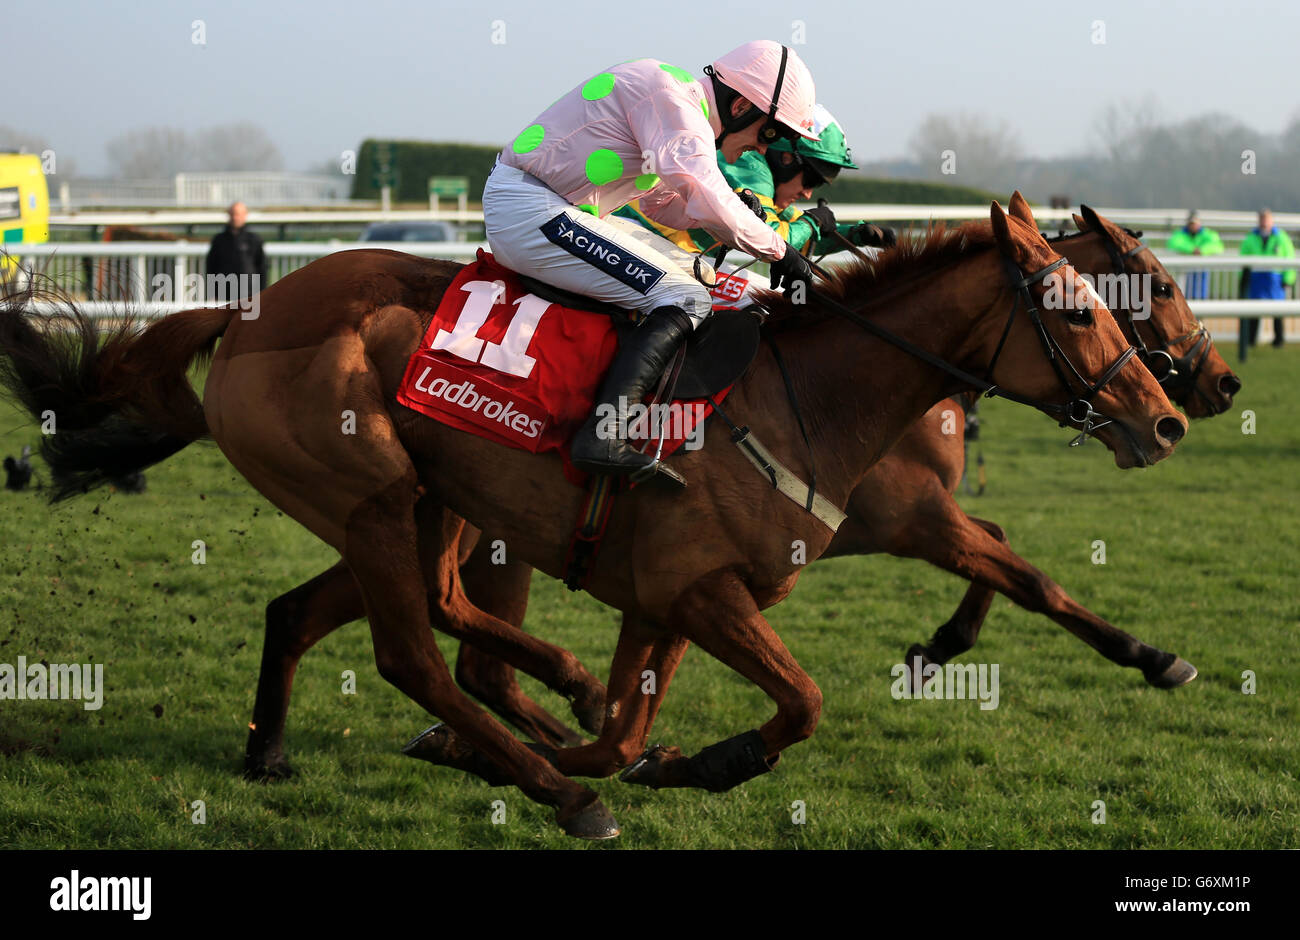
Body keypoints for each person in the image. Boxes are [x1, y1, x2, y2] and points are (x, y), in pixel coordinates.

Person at [484, 40, 820, 477]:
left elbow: (666, 204)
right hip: (530, 209)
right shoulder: (670, 97)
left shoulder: (676, 105)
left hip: (553, 207)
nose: (762, 149)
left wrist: (739, 211)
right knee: (687, 299)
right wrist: (781, 250)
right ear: (740, 105)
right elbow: (701, 190)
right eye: (769, 133)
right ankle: (602, 434)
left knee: (698, 282)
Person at [614, 103, 895, 308]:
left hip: (664, 243)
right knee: (767, 301)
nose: (808, 194)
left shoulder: (765, 181)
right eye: (811, 178)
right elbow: (777, 242)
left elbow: (792, 245)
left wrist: (854, 235)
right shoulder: (750, 164)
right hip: (639, 236)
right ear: (786, 159)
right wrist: (813, 222)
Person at [1239, 208, 1294, 348]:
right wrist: (1243, 278)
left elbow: (1290, 258)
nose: (1264, 222)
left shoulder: (1281, 237)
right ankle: (1251, 340)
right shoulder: (1251, 237)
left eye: (1266, 219)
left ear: (1271, 221)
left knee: (1277, 312)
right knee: (1254, 311)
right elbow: (1243, 258)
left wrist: (1288, 278)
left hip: (1274, 279)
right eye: (1262, 219)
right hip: (1256, 278)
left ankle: (1279, 340)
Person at [205, 201, 266, 301]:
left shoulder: (254, 239)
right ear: (229, 215)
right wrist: (212, 292)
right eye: (233, 214)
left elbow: (262, 268)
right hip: (223, 293)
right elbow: (211, 267)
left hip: (249, 294)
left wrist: (262, 293)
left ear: (245, 215)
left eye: (238, 214)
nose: (235, 217)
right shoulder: (219, 240)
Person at [1166, 210, 1222, 300]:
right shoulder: (1179, 234)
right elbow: (1173, 243)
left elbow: (1217, 246)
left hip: (1201, 270)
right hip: (1184, 271)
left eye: (1195, 223)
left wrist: (1202, 251)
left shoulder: (1208, 234)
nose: (1193, 226)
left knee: (1201, 295)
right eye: (1191, 223)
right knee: (1184, 294)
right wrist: (1192, 250)